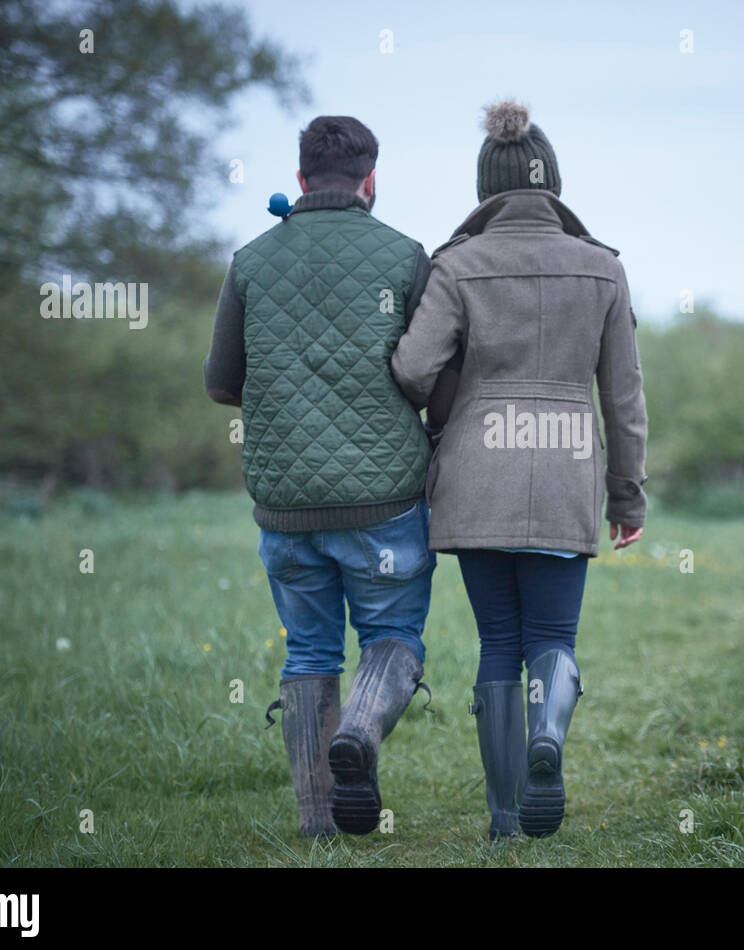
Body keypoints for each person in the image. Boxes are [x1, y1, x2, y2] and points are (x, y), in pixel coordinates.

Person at [392, 100, 648, 840]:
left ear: (486, 190)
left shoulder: (456, 265)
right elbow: (623, 397)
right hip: (568, 474)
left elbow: (411, 370)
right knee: (553, 637)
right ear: (555, 186)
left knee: (498, 641)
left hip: (476, 480)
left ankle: (505, 821)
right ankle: (548, 736)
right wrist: (626, 495)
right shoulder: (603, 269)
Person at [203, 115, 439, 838]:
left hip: (285, 505)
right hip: (387, 501)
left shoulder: (250, 260)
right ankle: (361, 733)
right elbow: (429, 374)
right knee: (393, 633)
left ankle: (317, 822)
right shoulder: (405, 256)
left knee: (308, 652)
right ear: (372, 181)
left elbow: (220, 381)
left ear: (301, 179)